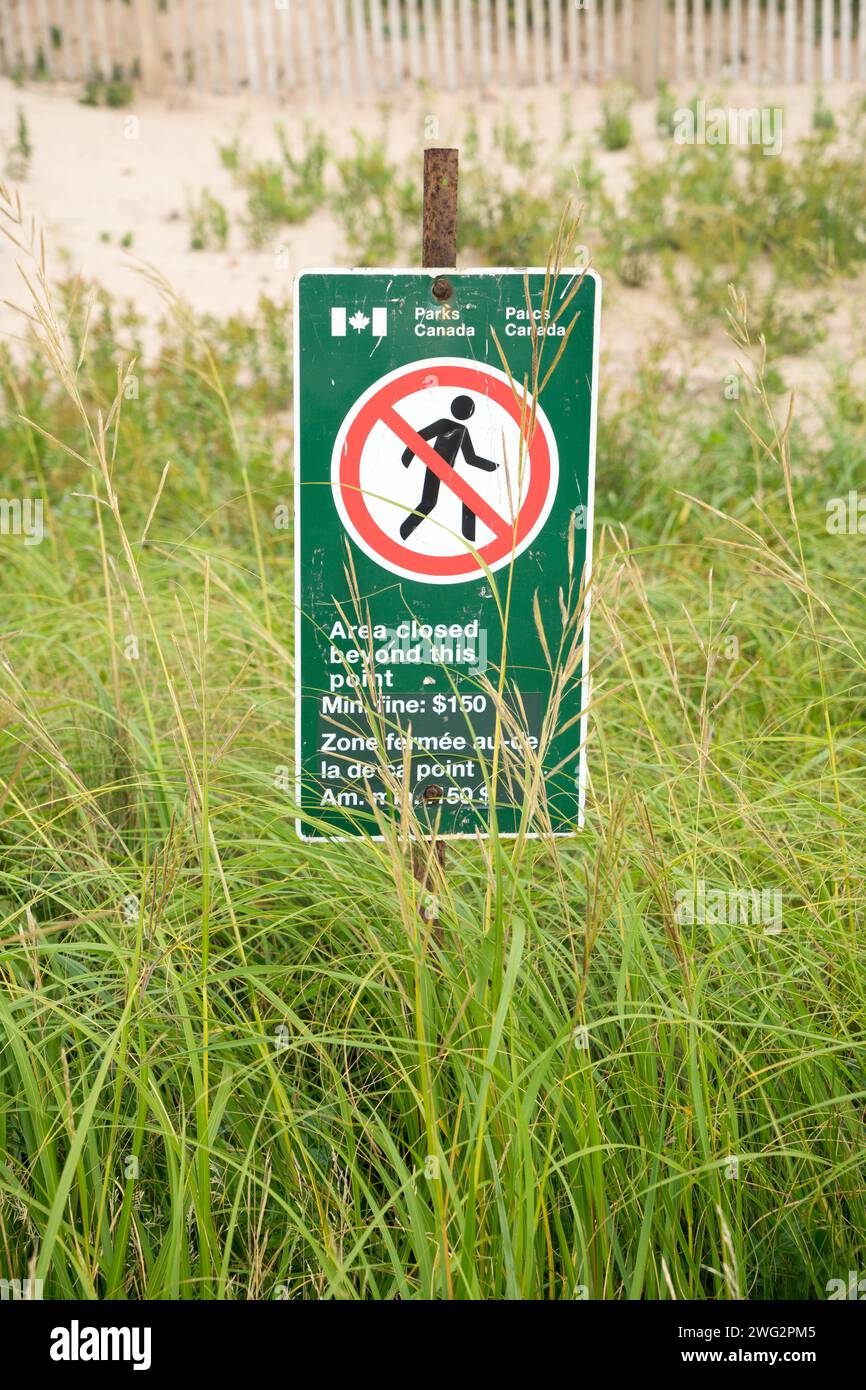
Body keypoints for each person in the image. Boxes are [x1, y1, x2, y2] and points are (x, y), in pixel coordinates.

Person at [399, 395, 497, 542]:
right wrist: (406, 458)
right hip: (434, 465)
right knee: (429, 502)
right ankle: (405, 532)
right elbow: (419, 437)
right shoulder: (444, 424)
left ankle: (468, 533)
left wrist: (492, 466)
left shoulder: (463, 429)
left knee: (438, 501)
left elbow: (470, 458)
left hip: (447, 471)